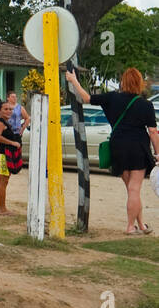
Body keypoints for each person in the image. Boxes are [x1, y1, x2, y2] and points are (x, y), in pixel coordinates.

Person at [65, 66, 159, 235]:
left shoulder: (112, 98)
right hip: (138, 147)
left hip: (118, 145)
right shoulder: (146, 105)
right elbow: (153, 132)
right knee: (134, 189)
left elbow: (86, 98)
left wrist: (73, 80)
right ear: (139, 83)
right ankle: (131, 227)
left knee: (131, 189)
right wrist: (158, 153)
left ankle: (142, 225)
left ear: (123, 82)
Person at [0, 100, 23, 215]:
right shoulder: (0, 122)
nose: (9, 111)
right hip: (2, 155)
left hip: (5, 155)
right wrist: (12, 143)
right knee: (2, 182)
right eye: (6, 109)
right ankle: (2, 209)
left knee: (4, 181)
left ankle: (2, 208)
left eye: (10, 109)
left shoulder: (6, 122)